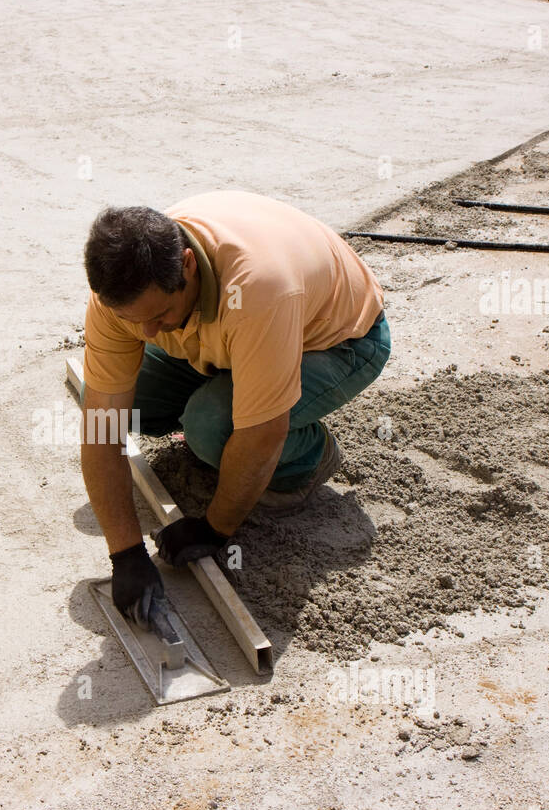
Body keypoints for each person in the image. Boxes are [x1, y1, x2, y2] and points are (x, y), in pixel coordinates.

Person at [79, 190, 390, 625]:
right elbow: (101, 428)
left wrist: (214, 527)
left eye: (161, 314)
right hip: (236, 338)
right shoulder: (124, 295)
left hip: (339, 340)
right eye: (135, 321)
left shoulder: (259, 289)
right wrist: (125, 553)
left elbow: (261, 434)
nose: (148, 331)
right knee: (128, 402)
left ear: (187, 265)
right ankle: (230, 388)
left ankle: (311, 455)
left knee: (212, 428)